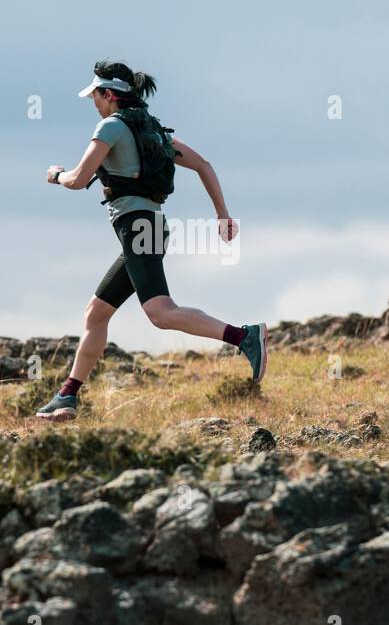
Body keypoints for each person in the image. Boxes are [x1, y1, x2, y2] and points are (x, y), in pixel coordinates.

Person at [35, 60, 267, 420]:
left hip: (137, 227)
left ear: (109, 95)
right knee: (96, 313)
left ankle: (243, 337)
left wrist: (56, 175)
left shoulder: (110, 127)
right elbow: (204, 164)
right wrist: (223, 214)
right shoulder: (155, 131)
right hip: (150, 226)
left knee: (160, 313)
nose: (94, 102)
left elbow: (79, 179)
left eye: (95, 96)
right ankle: (67, 396)